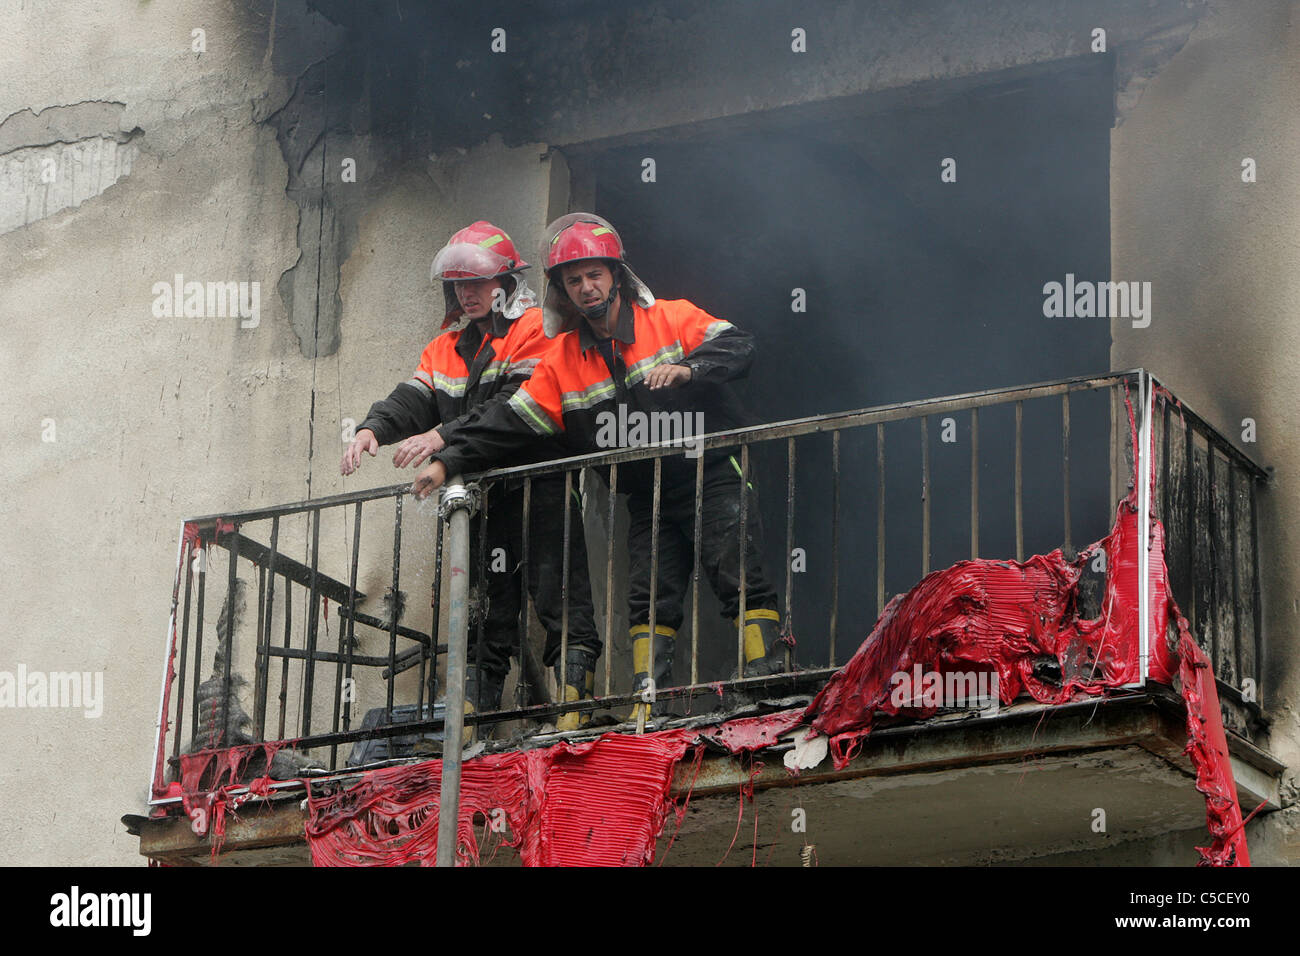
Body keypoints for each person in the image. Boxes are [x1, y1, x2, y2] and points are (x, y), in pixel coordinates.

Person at [412, 213, 787, 722]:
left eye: (595, 275)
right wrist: (445, 460)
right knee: (649, 598)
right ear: (562, 292)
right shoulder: (564, 357)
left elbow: (740, 344)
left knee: (736, 573)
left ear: (616, 276)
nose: (586, 288)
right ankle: (647, 709)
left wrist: (690, 369)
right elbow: (508, 420)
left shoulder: (671, 318)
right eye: (573, 280)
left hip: (713, 473)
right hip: (646, 495)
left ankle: (766, 683)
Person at [341, 220, 601, 732]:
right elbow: (411, 400)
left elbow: (514, 410)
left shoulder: (535, 330)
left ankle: (573, 711)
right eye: (459, 284)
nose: (467, 293)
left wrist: (443, 442)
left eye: (478, 283)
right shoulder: (445, 349)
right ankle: (469, 721)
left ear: (505, 283)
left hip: (540, 485)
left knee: (561, 597)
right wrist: (373, 428)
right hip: (486, 496)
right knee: (486, 609)